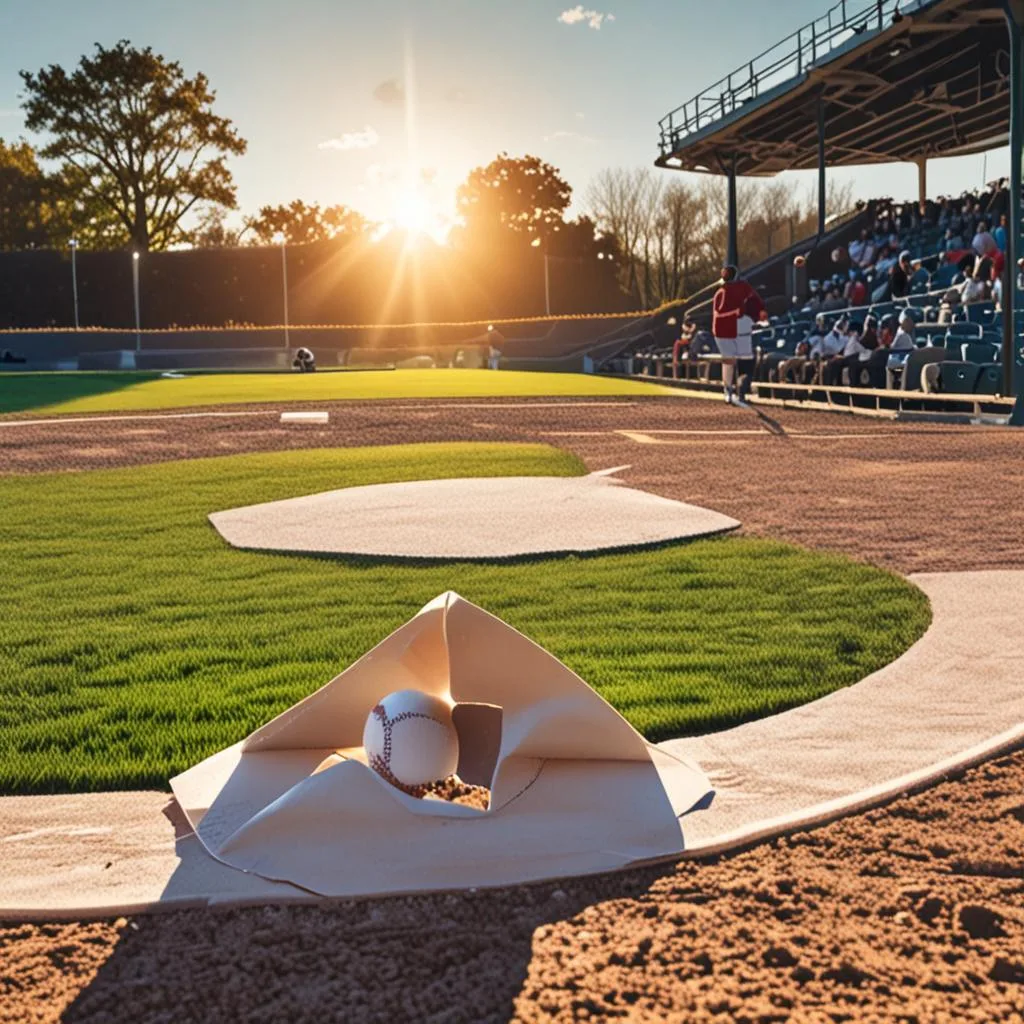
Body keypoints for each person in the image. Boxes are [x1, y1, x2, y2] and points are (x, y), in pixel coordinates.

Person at [712, 264, 766, 405]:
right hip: (722, 330)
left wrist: (760, 310)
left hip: (740, 330)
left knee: (745, 360)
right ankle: (728, 390)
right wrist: (734, 313)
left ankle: (740, 390)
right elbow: (718, 314)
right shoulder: (721, 293)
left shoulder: (743, 287)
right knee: (729, 361)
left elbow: (754, 299)